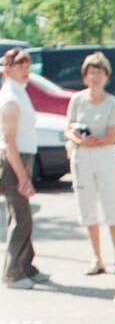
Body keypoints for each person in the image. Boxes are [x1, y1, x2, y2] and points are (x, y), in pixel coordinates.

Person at [65, 52, 115, 276]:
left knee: (112, 204)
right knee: (87, 205)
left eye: (99, 72)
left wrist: (96, 141)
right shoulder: (77, 100)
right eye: (91, 72)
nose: (95, 77)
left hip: (104, 155)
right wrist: (80, 139)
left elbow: (111, 136)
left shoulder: (112, 102)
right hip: (82, 156)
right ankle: (97, 257)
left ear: (107, 76)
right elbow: (68, 127)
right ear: (85, 76)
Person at [0, 48, 49, 288]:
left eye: (27, 65)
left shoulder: (20, 91)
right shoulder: (10, 97)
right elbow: (9, 142)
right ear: (6, 69)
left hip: (24, 158)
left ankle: (27, 266)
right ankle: (12, 273)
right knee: (22, 219)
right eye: (20, 65)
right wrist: (22, 177)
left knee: (22, 216)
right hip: (13, 162)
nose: (25, 69)